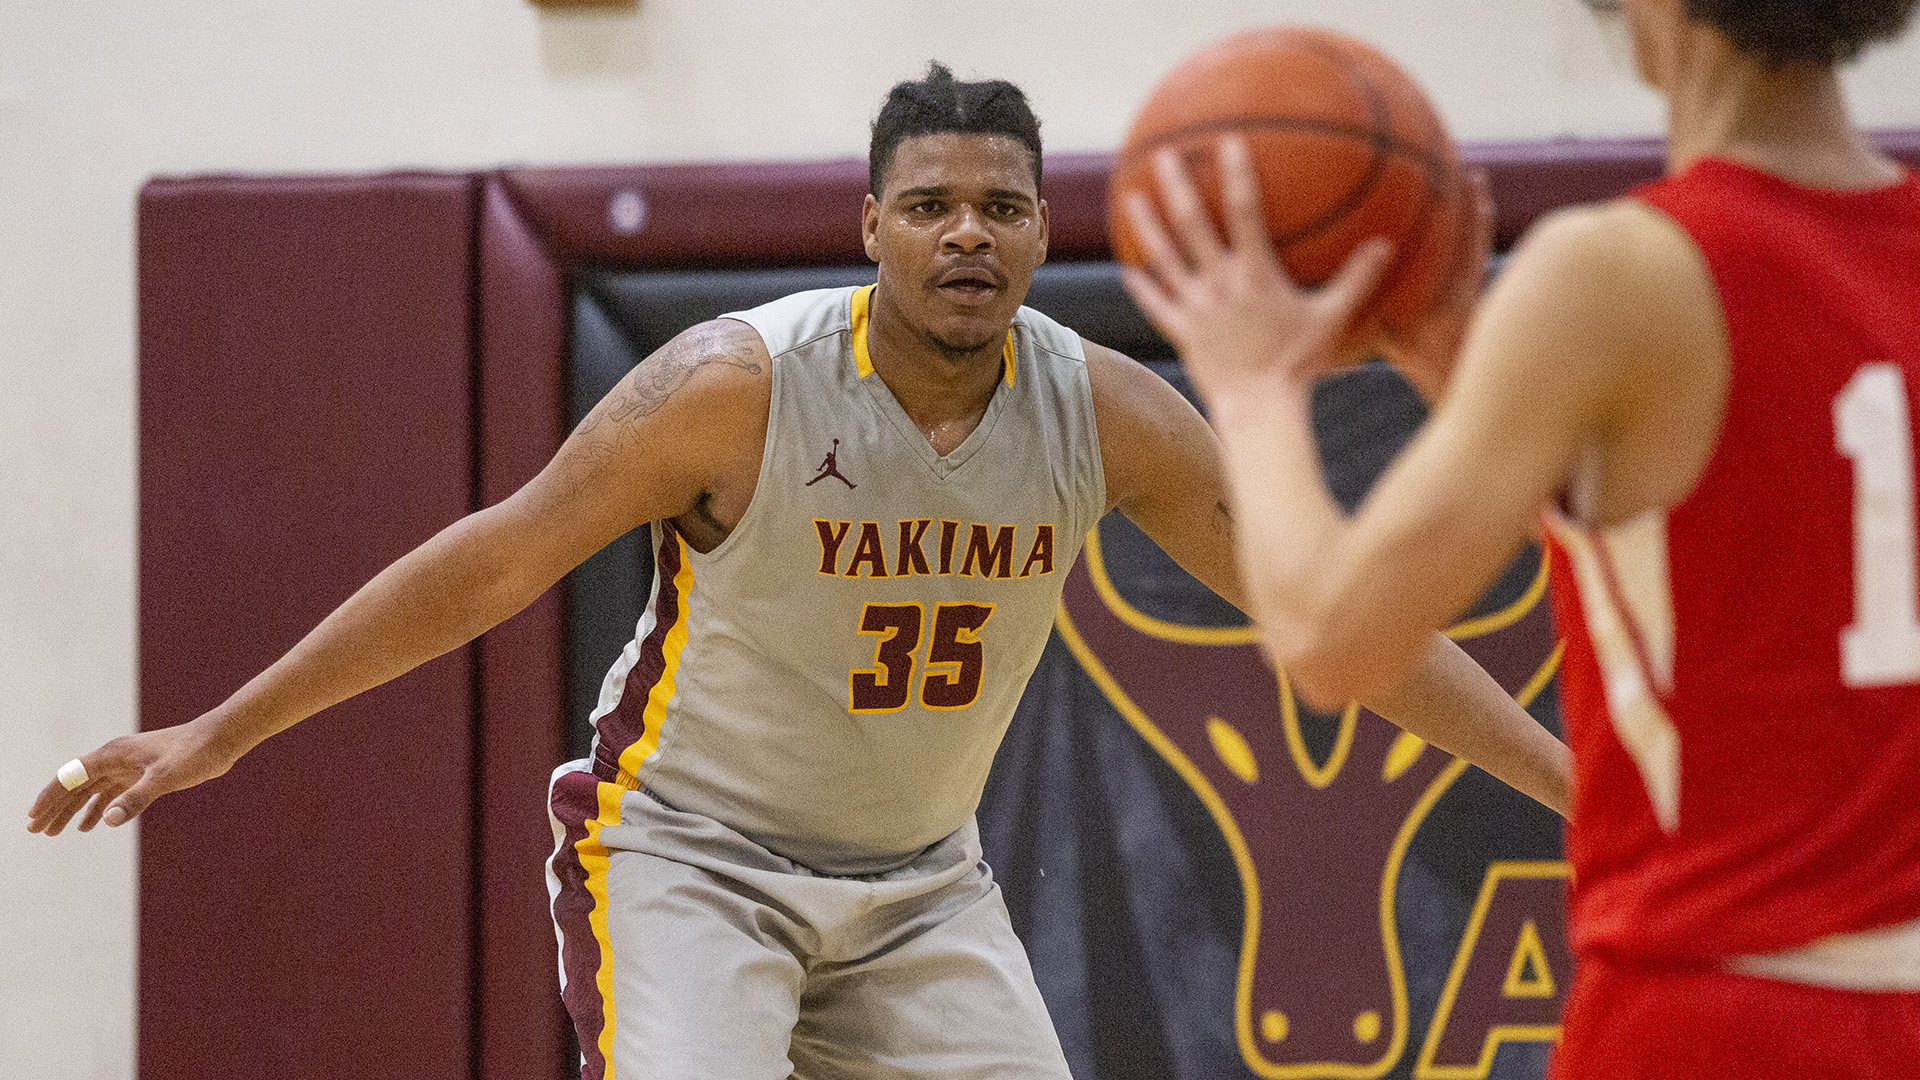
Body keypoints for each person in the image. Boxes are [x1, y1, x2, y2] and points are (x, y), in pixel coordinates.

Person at [31, 64, 1569, 1079]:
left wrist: (1578, 787)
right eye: (931, 206)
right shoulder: (731, 386)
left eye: (1002, 208)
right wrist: (215, 732)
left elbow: (1335, 623)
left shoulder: (1105, 414)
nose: (967, 234)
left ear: (1043, 232)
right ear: (872, 229)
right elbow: (494, 561)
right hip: (690, 861)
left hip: (918, 887)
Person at [1121, 1, 1920, 1077]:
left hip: (1717, 1008)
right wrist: (1471, 383)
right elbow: (1738, 557)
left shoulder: (1616, 272)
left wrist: (1253, 384)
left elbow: (1329, 641)